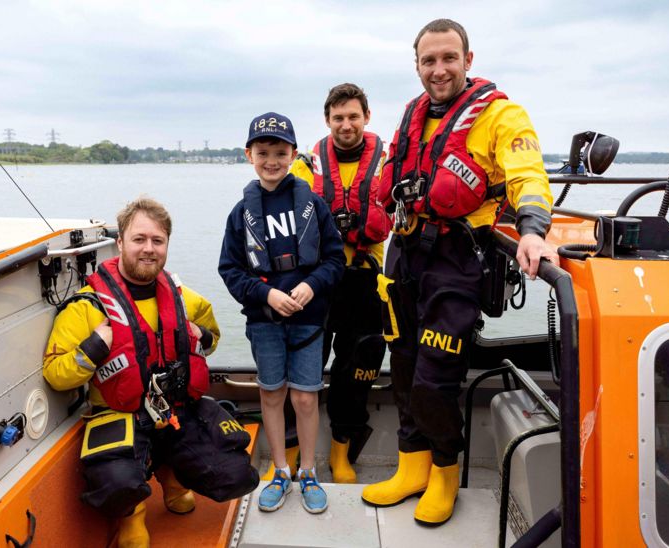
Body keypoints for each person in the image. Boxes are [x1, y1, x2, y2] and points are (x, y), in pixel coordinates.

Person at [362, 19, 559, 526]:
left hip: (457, 261)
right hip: (404, 255)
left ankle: (445, 472)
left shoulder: (500, 116)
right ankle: (411, 467)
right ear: (418, 66)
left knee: (435, 378)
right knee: (403, 368)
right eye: (429, 61)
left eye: (449, 58)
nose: (439, 69)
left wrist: (534, 229)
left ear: (468, 61)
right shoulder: (412, 116)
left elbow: (529, 177)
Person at [43, 197, 258, 548]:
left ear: (167, 246)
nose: (148, 249)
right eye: (139, 239)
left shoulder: (182, 297)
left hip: (175, 411)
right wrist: (94, 347)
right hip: (120, 413)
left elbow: (212, 337)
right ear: (120, 243)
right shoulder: (86, 307)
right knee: (117, 485)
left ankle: (172, 479)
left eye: (157, 241)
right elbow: (55, 373)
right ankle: (134, 515)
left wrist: (199, 334)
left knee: (235, 475)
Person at [218, 112, 345, 514]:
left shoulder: (315, 206)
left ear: (293, 154)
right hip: (265, 322)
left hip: (309, 321)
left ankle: (308, 471)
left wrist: (310, 285)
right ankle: (280, 470)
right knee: (271, 395)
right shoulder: (240, 215)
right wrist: (266, 295)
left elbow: (335, 260)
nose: (271, 160)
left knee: (306, 400)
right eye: (263, 152)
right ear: (249, 155)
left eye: (279, 152)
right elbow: (230, 270)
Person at [282, 83, 391, 483]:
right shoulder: (306, 165)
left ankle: (341, 454)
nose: (346, 124)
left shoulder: (388, 161)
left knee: (356, 370)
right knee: (302, 368)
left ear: (367, 117)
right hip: (317, 282)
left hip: (365, 280)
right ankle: (292, 452)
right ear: (327, 121)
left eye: (353, 116)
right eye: (338, 118)